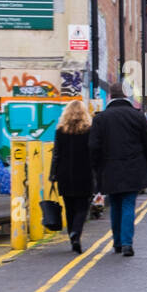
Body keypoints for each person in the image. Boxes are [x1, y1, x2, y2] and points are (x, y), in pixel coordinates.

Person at [89, 85, 147, 258]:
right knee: (128, 204)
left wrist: (95, 168)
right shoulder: (138, 116)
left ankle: (117, 242)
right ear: (126, 95)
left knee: (115, 205)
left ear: (110, 96)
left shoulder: (101, 118)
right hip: (133, 168)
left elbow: (93, 146)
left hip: (109, 168)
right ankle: (127, 243)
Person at [50, 101, 97, 254]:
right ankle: (76, 233)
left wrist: (53, 174)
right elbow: (92, 153)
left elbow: (56, 154)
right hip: (84, 173)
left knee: (69, 208)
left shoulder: (60, 130)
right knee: (82, 207)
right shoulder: (89, 130)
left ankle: (72, 238)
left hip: (64, 174)